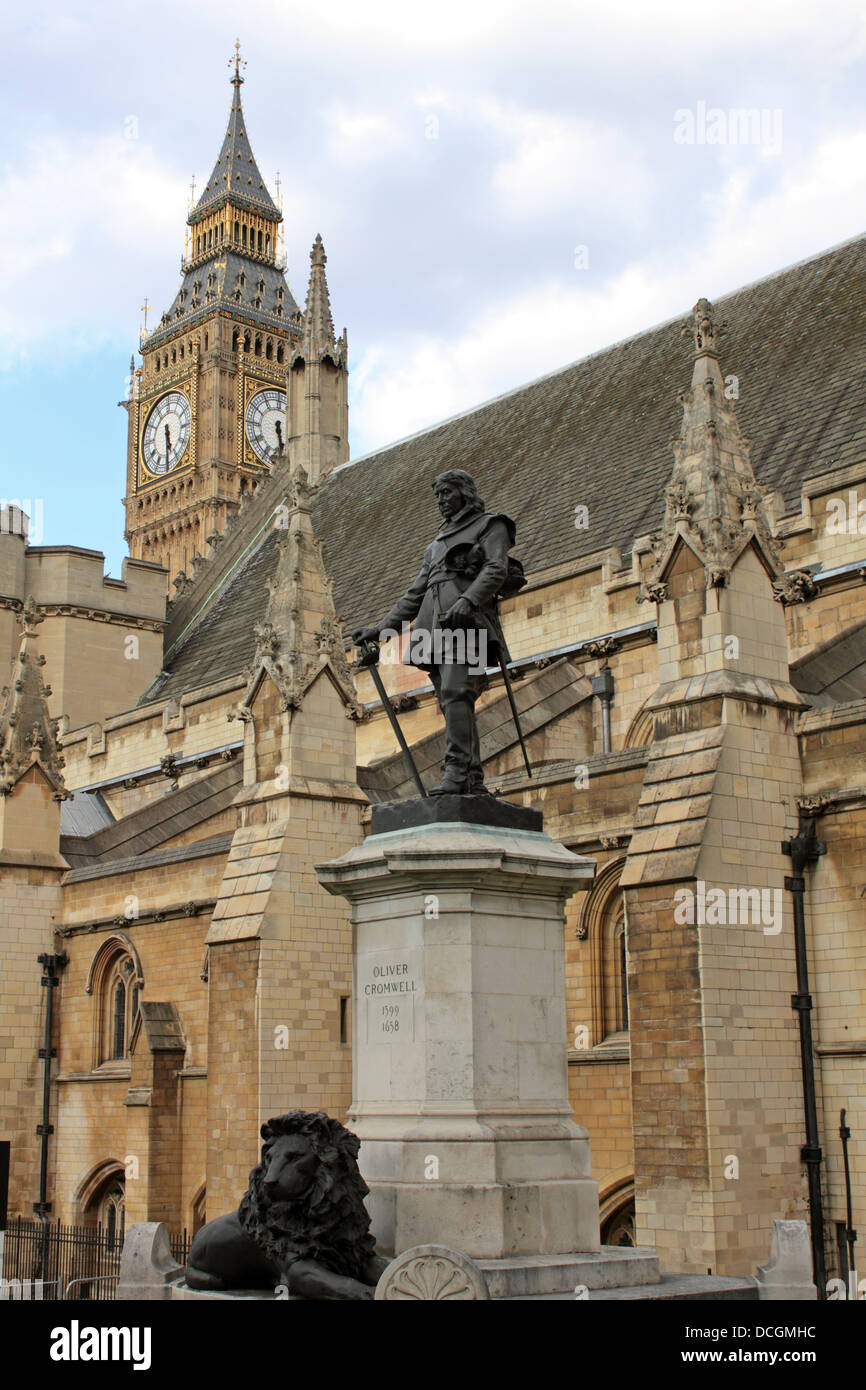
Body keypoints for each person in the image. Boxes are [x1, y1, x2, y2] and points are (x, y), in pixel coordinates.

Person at [352, 469, 520, 795]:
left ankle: (456, 771)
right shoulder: (436, 545)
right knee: (449, 699)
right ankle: (470, 775)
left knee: (458, 692)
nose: (441, 501)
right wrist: (380, 630)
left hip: (465, 623)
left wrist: (469, 600)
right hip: (432, 629)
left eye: (446, 493)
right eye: (438, 495)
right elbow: (414, 595)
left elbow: (496, 568)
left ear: (463, 492)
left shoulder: (490, 525)